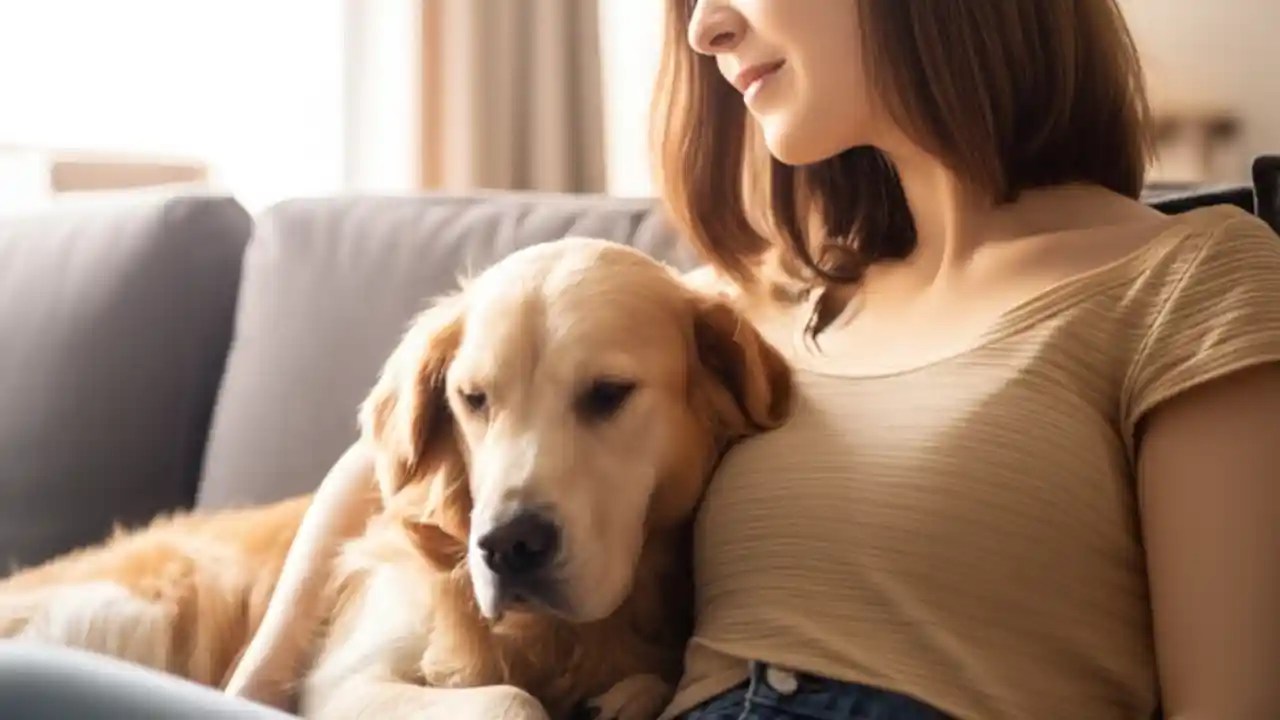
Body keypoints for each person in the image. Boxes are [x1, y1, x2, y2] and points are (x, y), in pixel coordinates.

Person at [164, 1, 1280, 719]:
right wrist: (256, 691)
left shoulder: (1190, 282)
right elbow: (409, 444)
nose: (700, 28)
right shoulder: (761, 307)